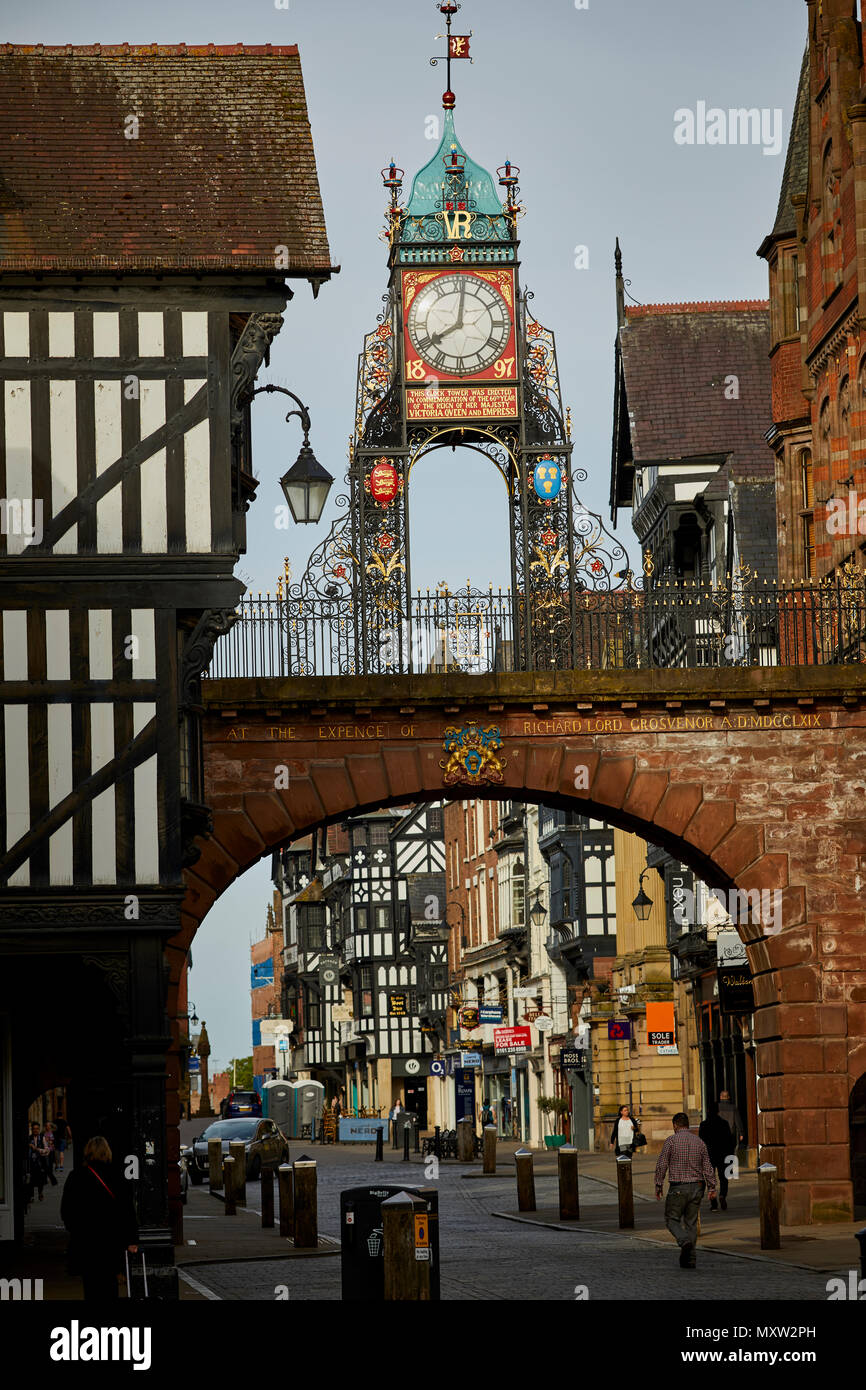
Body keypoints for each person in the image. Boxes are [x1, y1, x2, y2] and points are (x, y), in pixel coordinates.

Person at [60, 1136, 139, 1301]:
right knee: (110, 1283)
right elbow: (127, 1211)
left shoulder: (76, 1176)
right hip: (111, 1241)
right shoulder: (117, 1176)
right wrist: (131, 1240)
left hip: (86, 1240)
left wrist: (75, 1229)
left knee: (90, 1284)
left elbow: (66, 1210)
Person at [655, 1112, 717, 1268]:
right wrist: (712, 1187)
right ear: (688, 1125)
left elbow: (662, 1164)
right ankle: (690, 1259)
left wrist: (658, 1184)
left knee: (671, 1219)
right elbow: (708, 1167)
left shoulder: (671, 1141)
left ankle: (684, 1241)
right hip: (697, 1186)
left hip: (678, 1186)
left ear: (675, 1125)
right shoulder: (699, 1142)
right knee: (691, 1222)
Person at [699, 1100, 736, 1211]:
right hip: (723, 1154)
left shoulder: (704, 1125)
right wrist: (731, 1156)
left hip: (709, 1155)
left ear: (708, 1110)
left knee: (710, 1179)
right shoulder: (724, 1123)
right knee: (723, 1178)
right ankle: (722, 1195)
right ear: (718, 1111)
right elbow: (730, 1141)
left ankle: (713, 1202)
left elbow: (701, 1142)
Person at [28, 1122, 48, 1201]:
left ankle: (40, 1193)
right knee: (31, 1180)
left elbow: (47, 1150)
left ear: (39, 1129)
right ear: (32, 1130)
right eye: (34, 1129)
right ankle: (31, 1196)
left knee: (40, 1180)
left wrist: (37, 1149)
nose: (35, 1130)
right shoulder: (29, 1138)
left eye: (37, 1129)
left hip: (40, 1162)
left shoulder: (42, 1138)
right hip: (31, 1162)